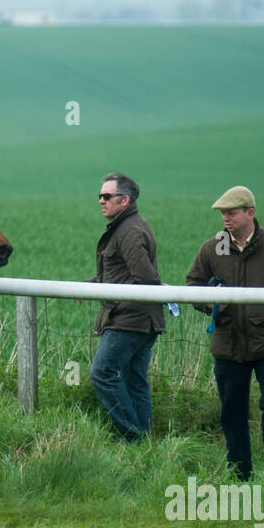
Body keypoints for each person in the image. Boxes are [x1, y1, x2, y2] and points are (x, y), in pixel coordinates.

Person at [185, 186, 264, 480]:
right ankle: (239, 473)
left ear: (249, 213)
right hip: (228, 344)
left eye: (231, 213)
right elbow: (191, 288)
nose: (225, 218)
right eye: (222, 214)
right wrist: (210, 300)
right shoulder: (211, 248)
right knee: (232, 411)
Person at [87, 173, 165, 442]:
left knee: (103, 372)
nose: (101, 201)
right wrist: (91, 285)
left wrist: (118, 302)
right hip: (142, 318)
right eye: (100, 195)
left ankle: (132, 437)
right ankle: (144, 443)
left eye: (107, 196)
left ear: (125, 200)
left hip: (129, 320)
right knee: (134, 382)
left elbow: (144, 277)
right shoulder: (128, 225)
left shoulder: (129, 230)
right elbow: (123, 274)